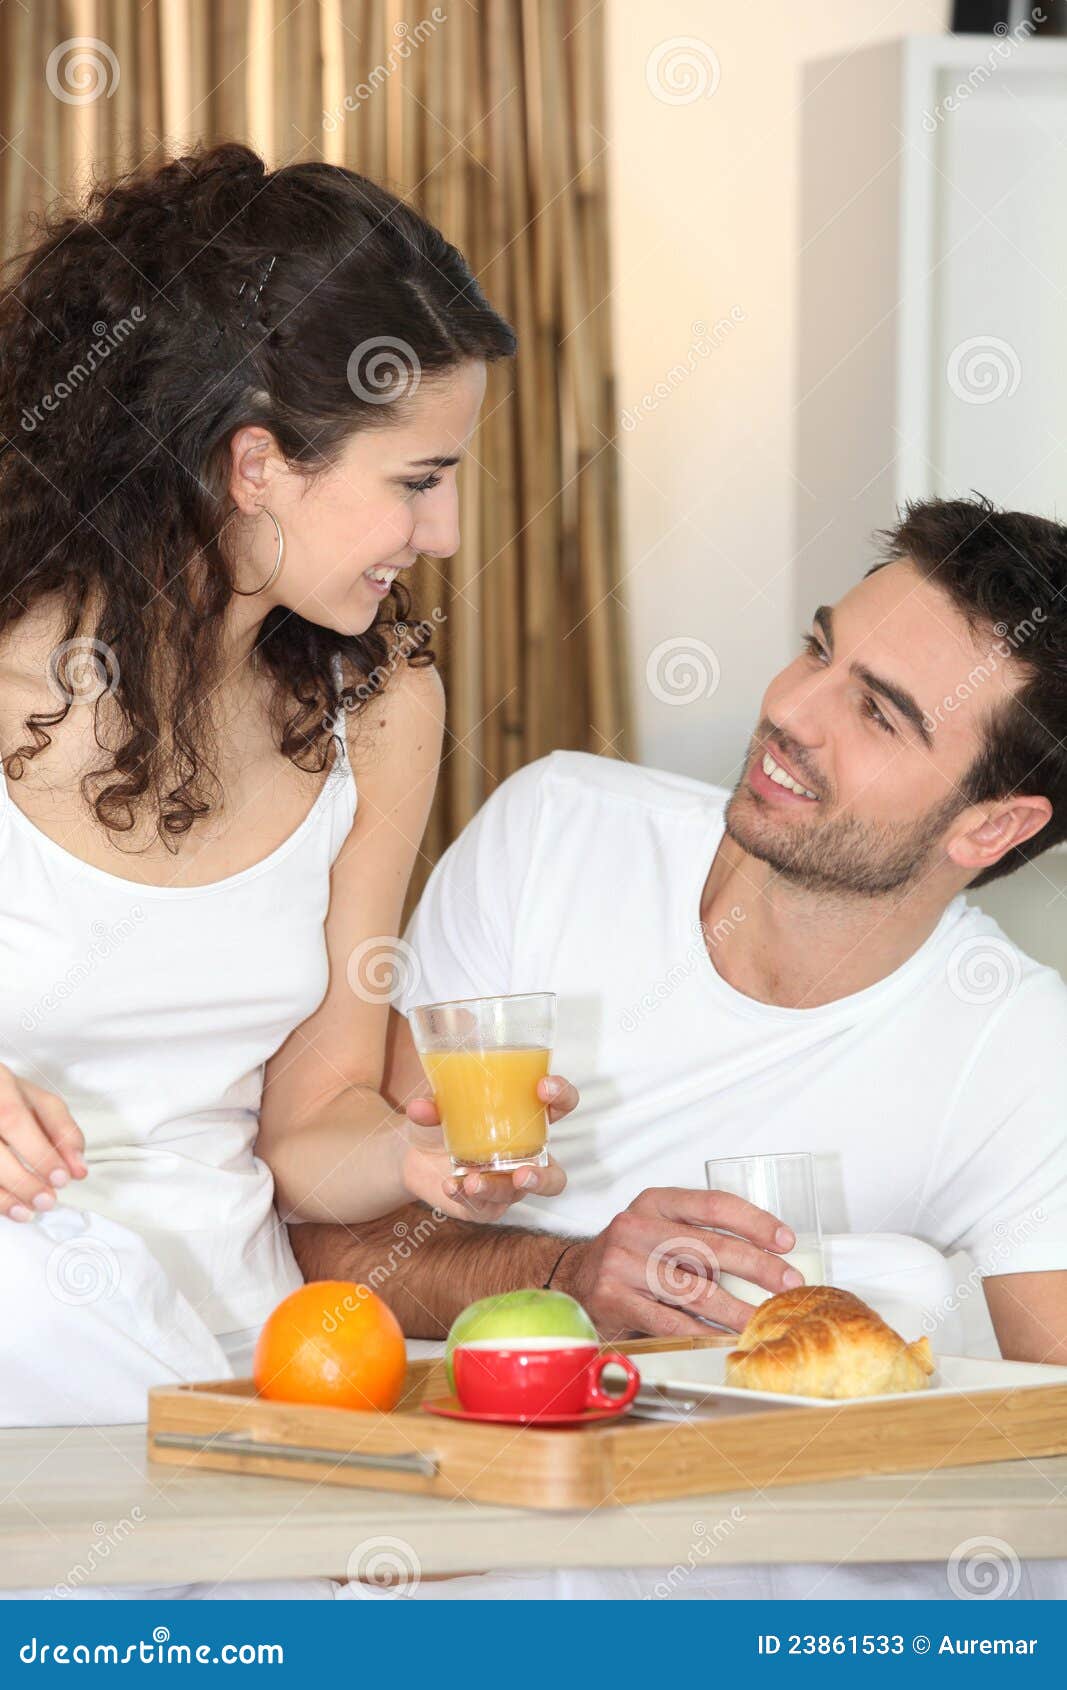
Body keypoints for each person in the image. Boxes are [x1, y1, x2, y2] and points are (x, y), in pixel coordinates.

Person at [0, 140, 576, 1426]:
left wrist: (415, 1157)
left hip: (256, 1365)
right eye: (417, 482)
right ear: (254, 466)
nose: (442, 536)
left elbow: (308, 1133)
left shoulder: (379, 710)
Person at [291, 496, 1067, 1368]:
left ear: (991, 829)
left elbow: (1053, 1428)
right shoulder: (558, 832)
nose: (792, 710)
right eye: (817, 649)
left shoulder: (1022, 1046)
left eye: (877, 714)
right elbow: (330, 1246)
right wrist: (565, 1275)